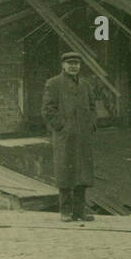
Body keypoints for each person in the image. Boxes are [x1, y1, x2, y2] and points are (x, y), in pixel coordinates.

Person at [42, 50, 97, 222]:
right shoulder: (53, 83)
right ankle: (65, 210)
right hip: (65, 136)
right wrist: (62, 127)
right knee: (65, 171)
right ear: (63, 65)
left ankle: (80, 211)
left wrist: (91, 124)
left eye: (76, 63)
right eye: (70, 63)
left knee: (82, 173)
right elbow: (48, 109)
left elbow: (93, 106)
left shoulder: (86, 85)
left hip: (83, 136)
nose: (73, 66)